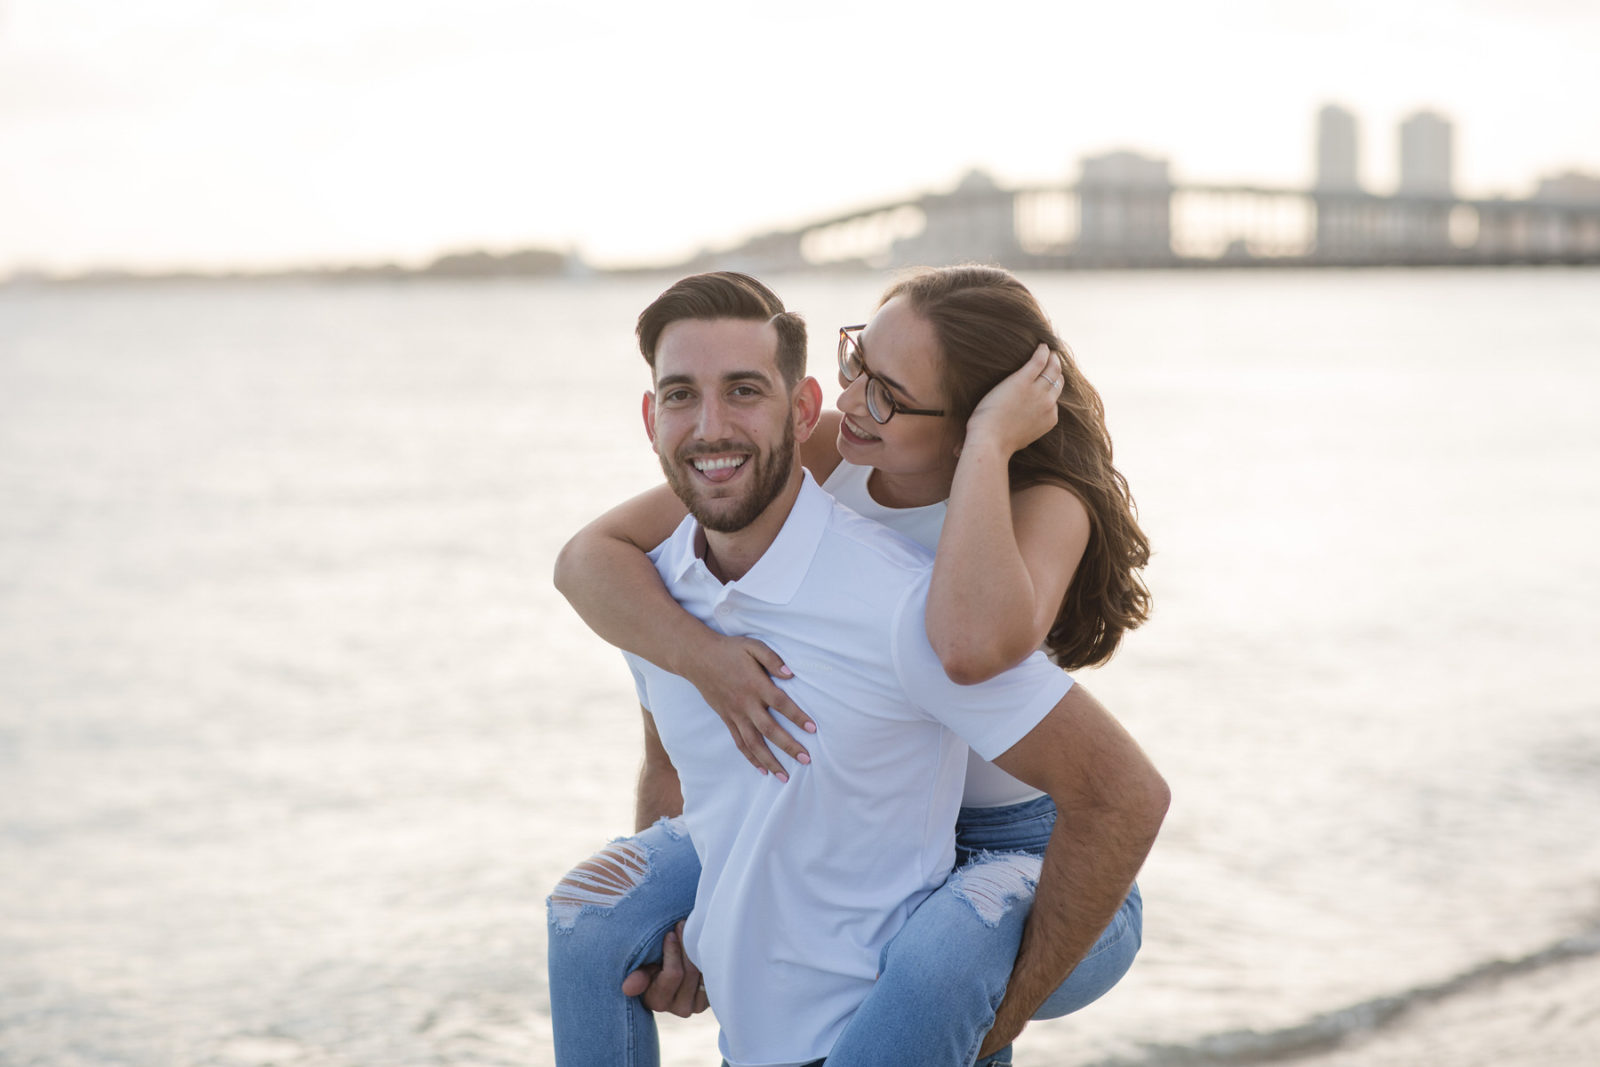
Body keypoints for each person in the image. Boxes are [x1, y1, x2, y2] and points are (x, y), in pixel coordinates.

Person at [547, 271, 1166, 1067]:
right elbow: (589, 561)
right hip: (848, 815)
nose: (852, 399)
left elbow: (967, 648)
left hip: (1022, 848)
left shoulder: (1041, 501)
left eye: (889, 394)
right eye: (855, 362)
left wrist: (984, 449)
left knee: (940, 961)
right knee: (591, 921)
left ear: (974, 420)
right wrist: (709, 664)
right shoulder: (831, 442)